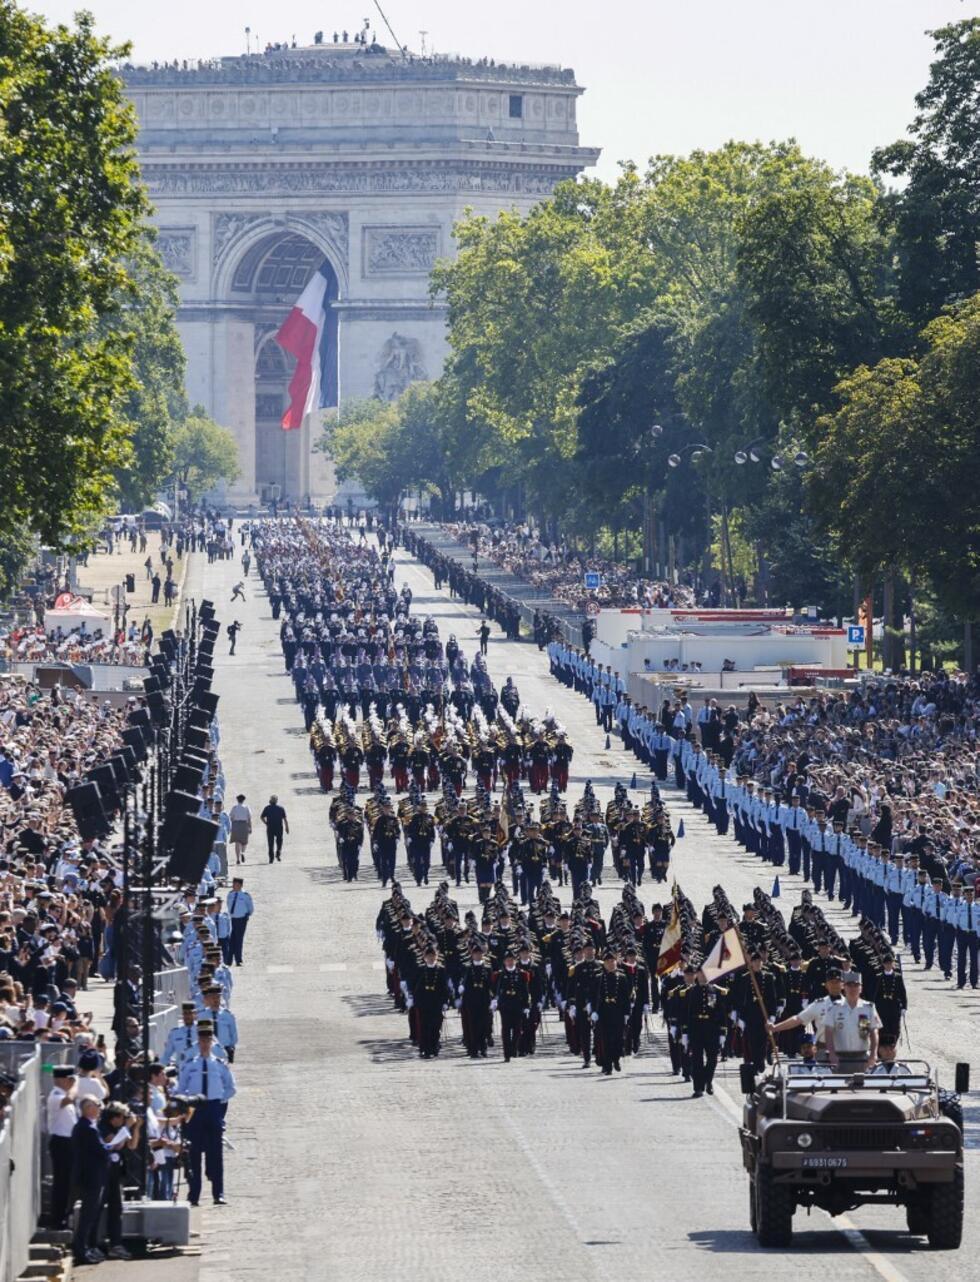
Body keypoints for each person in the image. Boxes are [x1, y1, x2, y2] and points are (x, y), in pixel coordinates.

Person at [177, 1023, 237, 1206]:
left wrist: (218, 1100)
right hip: (195, 1109)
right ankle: (193, 1194)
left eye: (207, 1040)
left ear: (212, 1042)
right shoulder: (190, 1064)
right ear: (198, 1041)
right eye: (202, 1040)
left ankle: (218, 1193)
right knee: (193, 1153)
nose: (204, 1044)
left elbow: (231, 1087)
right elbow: (181, 1088)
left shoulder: (218, 1064)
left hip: (212, 1108)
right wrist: (187, 1103)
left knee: (215, 1153)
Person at [71, 1097, 109, 1266]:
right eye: (96, 1106)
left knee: (90, 1214)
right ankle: (81, 1250)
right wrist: (110, 1148)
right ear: (87, 1108)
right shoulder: (86, 1128)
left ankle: (85, 1248)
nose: (99, 1109)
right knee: (87, 1215)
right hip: (91, 1176)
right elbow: (100, 1150)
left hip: (91, 1175)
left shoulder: (87, 1126)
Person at [823, 971, 882, 1071]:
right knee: (840, 1084)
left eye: (856, 985)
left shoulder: (868, 1008)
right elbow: (828, 1032)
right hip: (840, 1056)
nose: (852, 988)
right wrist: (832, 1054)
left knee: (864, 1085)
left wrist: (873, 1054)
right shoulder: (834, 1007)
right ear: (844, 987)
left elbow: (874, 1031)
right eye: (849, 985)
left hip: (862, 1056)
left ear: (861, 988)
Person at [47, 1066, 77, 1228]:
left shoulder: (64, 1095)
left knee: (68, 1183)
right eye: (69, 1079)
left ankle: (64, 1215)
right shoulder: (56, 1095)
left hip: (69, 1143)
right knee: (61, 1183)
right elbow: (70, 1100)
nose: (70, 1083)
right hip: (61, 1143)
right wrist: (75, 1086)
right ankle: (57, 1219)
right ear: (61, 1079)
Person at [227, 877, 254, 965]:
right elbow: (228, 904)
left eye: (237, 885)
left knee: (238, 939)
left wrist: (246, 915)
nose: (234, 886)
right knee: (232, 939)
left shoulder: (245, 895)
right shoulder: (230, 894)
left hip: (241, 919)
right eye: (233, 884)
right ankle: (229, 960)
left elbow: (250, 907)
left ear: (241, 885)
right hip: (233, 919)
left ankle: (238, 959)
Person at [260, 794, 289, 863]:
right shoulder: (281, 808)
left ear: (270, 800)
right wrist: (287, 827)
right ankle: (278, 854)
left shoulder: (267, 808)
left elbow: (261, 817)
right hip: (279, 827)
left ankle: (271, 858)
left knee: (270, 843)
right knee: (279, 841)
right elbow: (285, 819)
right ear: (277, 801)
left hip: (270, 827)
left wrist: (266, 823)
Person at [229, 794, 252, 864]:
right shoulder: (246, 808)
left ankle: (237, 858)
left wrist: (232, 826)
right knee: (244, 841)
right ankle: (242, 852)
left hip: (236, 824)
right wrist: (250, 827)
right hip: (244, 824)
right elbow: (249, 818)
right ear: (243, 800)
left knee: (237, 842)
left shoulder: (235, 807)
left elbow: (231, 817)